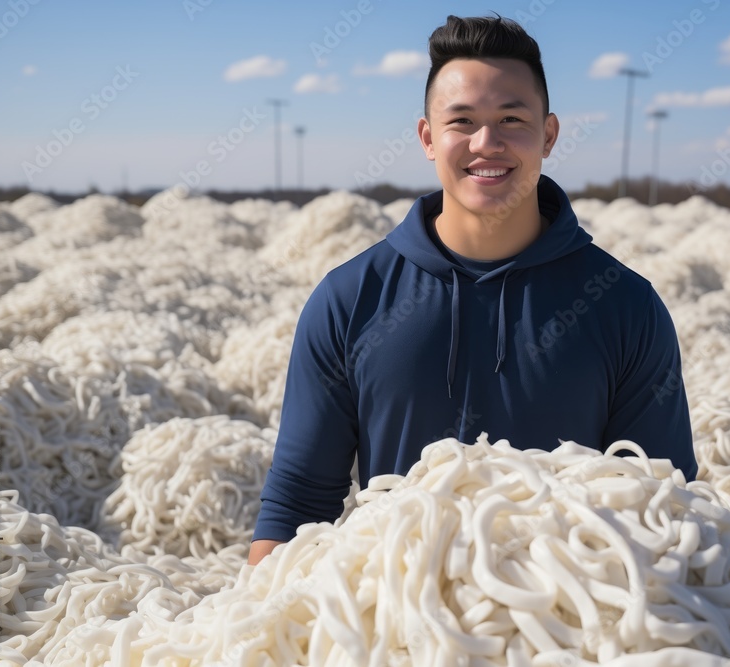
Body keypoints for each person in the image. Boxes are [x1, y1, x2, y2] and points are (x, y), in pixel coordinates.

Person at [248, 14, 697, 565]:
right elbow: (298, 503)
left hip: (577, 629)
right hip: (388, 625)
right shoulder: (349, 299)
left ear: (548, 135)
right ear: (428, 138)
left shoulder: (625, 305)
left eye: (512, 118)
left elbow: (663, 508)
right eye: (462, 121)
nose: (488, 143)